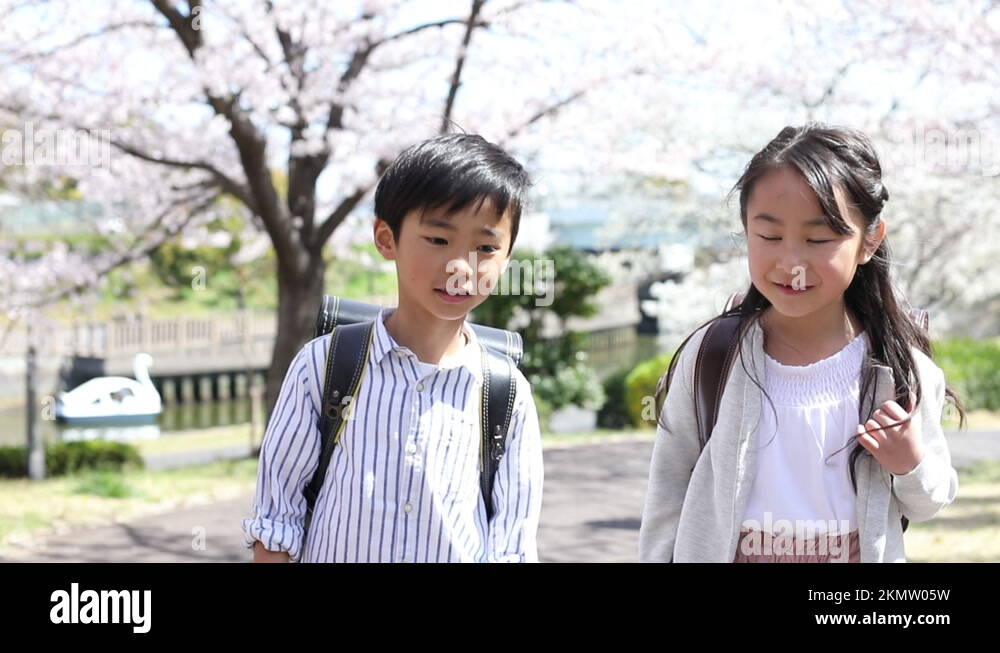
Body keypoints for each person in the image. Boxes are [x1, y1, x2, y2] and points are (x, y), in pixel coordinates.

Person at [639, 123, 964, 563]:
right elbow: (667, 495)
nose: (791, 262)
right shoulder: (712, 356)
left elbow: (929, 502)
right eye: (770, 236)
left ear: (869, 241)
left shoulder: (900, 368)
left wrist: (909, 462)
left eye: (818, 239)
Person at [243, 133, 543, 562]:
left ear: (507, 256)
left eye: (486, 247)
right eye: (438, 240)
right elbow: (276, 522)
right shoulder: (325, 365)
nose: (461, 267)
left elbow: (512, 547)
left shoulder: (505, 394)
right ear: (387, 239)